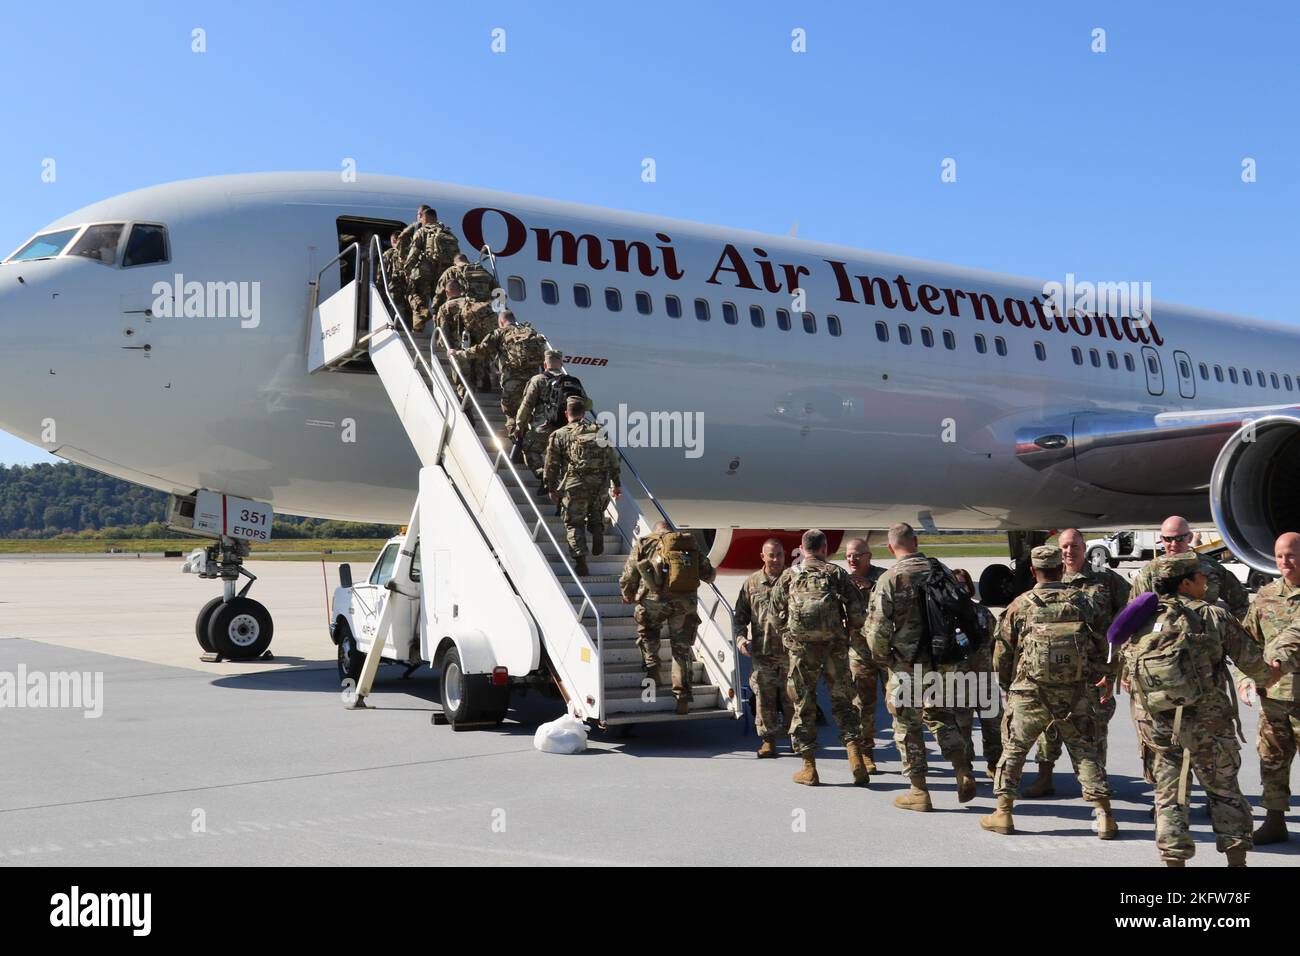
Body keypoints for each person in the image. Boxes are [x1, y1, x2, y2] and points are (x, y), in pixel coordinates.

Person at [1122, 552, 1291, 866]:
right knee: (1224, 792)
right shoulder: (1213, 615)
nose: (1205, 582)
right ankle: (1237, 863)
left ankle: (1174, 864)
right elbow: (1255, 665)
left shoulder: (1142, 617)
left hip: (1159, 725)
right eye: (1200, 577)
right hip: (1209, 725)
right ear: (1185, 583)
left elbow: (1125, 666)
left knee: (1169, 797)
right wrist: (1274, 671)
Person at [982, 545, 1117, 839]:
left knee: (1014, 750)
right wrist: (1100, 678)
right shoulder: (1084, 602)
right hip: (1076, 692)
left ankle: (1003, 813)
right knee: (1085, 750)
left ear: (1033, 571)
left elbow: (1002, 654)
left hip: (1030, 691)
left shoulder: (1020, 605)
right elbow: (1103, 646)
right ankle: (1105, 815)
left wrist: (1008, 685)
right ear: (1061, 569)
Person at [1125, 515, 1250, 792]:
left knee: (1210, 736)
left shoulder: (1211, 570)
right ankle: (1167, 797)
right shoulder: (1149, 573)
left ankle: (1217, 796)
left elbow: (1241, 604)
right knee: (1160, 740)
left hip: (1205, 669)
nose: (1172, 544)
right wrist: (1127, 669)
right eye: (1167, 539)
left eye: (1179, 538)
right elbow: (1131, 622)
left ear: (1190, 538)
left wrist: (1237, 640)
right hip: (1159, 672)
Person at [865, 522, 977, 810]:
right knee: (941, 715)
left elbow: (878, 630)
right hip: (943, 660)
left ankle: (918, 790)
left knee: (907, 724)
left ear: (890, 547)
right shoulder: (941, 571)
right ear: (915, 542)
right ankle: (962, 769)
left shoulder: (890, 579)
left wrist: (884, 659)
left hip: (908, 664)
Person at [1022, 528, 1132, 798]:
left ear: (1085, 548)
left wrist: (1121, 663)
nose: (1069, 551)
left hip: (1095, 670)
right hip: (1054, 669)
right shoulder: (1049, 579)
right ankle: (1044, 777)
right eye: (1064, 547)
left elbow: (1130, 614)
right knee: (1049, 725)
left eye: (1074, 546)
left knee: (1095, 727)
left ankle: (1096, 781)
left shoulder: (1106, 580)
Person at [770, 529, 868, 786]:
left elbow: (774, 614)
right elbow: (857, 612)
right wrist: (847, 634)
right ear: (824, 549)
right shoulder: (836, 573)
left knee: (803, 704)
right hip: (835, 647)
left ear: (802, 549)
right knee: (843, 701)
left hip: (802, 650)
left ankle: (809, 768)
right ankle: (855, 758)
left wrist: (788, 636)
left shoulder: (789, 575)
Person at [1240, 532, 1300, 845]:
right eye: (1279, 556)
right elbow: (1247, 642)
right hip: (1273, 698)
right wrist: (1244, 678)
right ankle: (1275, 822)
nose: (1284, 562)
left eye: (1291, 555)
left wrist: (1276, 665)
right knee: (1272, 760)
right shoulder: (1265, 595)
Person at [620, 521, 716, 715]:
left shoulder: (645, 542)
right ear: (671, 531)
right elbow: (708, 574)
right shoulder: (688, 543)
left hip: (654, 601)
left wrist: (628, 593)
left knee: (648, 631)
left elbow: (630, 573)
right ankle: (682, 698)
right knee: (681, 649)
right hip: (685, 602)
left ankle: (653, 669)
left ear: (656, 530)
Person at [543, 396, 621, 577]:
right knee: (596, 510)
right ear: (584, 413)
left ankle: (581, 562)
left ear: (566, 413)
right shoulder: (599, 431)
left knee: (574, 523)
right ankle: (597, 530)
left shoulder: (560, 434)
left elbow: (551, 465)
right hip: (600, 484)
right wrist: (616, 484)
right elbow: (613, 460)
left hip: (575, 485)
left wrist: (551, 487)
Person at [734, 537, 794, 757]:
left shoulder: (794, 580)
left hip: (790, 652)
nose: (776, 560)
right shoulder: (752, 583)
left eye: (779, 555)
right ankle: (768, 741)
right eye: (771, 555)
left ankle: (796, 738)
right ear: (762, 557)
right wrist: (741, 640)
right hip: (763, 653)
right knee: (764, 698)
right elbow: (739, 618)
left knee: (793, 698)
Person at [452, 310, 548, 434]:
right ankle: (529, 441)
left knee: (512, 415)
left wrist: (459, 353)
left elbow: (481, 350)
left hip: (512, 382)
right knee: (530, 413)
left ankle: (516, 443)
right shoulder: (530, 332)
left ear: (501, 322)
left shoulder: (500, 332)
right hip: (533, 381)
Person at [953, 567, 1002, 780]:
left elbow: (997, 645)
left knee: (994, 726)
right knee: (961, 728)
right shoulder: (945, 615)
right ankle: (965, 768)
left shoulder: (983, 613)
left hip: (984, 680)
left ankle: (995, 764)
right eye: (955, 585)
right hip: (958, 683)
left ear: (970, 587)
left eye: (963, 584)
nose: (960, 588)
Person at [845, 538, 886, 773]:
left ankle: (909, 753)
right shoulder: (844, 582)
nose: (853, 559)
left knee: (898, 704)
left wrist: (871, 586)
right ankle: (866, 753)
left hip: (886, 651)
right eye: (849, 555)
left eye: (858, 555)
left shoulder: (883, 577)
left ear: (869, 556)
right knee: (862, 705)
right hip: (859, 652)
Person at [515, 350, 588, 481]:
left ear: (545, 364)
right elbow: (587, 404)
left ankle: (543, 475)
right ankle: (558, 482)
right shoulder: (573, 381)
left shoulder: (538, 380)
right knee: (564, 457)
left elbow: (527, 405)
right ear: (561, 364)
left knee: (529, 448)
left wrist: (519, 425)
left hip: (545, 427)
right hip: (568, 428)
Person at [403, 205, 459, 329]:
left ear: (424, 218)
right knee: (439, 303)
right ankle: (441, 332)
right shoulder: (448, 232)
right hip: (444, 274)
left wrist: (407, 271)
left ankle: (419, 325)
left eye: (420, 218)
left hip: (426, 271)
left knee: (414, 294)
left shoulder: (423, 231)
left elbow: (413, 254)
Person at [380, 230, 410, 322]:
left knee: (395, 308)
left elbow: (380, 272)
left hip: (395, 286)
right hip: (409, 287)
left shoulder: (390, 253)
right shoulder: (412, 252)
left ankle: (396, 325)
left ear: (393, 240)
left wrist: (379, 287)